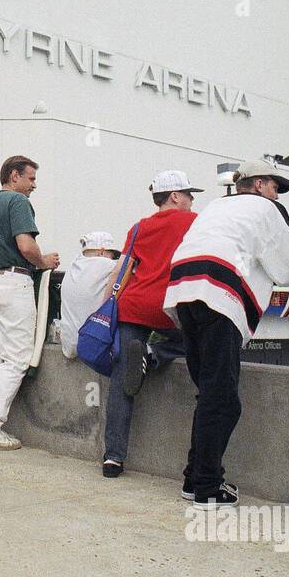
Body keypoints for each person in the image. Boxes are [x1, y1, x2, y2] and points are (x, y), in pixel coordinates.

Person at [164, 159, 289, 505]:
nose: (278, 195)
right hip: (219, 293)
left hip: (184, 290)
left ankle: (194, 479)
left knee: (209, 393)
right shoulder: (264, 208)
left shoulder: (217, 206)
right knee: (223, 400)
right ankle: (206, 487)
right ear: (260, 184)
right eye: (276, 186)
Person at [101, 171, 200, 478]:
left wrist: (106, 308)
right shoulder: (194, 221)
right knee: (192, 343)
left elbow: (122, 269)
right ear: (174, 196)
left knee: (120, 383)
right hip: (170, 308)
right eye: (188, 194)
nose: (192, 199)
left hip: (132, 305)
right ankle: (151, 354)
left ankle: (113, 458)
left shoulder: (139, 227)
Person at [0, 155, 59, 450]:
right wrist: (44, 261)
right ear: (14, 176)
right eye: (31, 178)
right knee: (18, 358)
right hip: (11, 282)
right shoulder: (18, 202)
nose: (34, 185)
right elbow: (26, 244)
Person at [59, 231, 120, 362]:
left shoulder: (73, 265)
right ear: (102, 252)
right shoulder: (107, 264)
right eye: (112, 255)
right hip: (92, 346)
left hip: (68, 347)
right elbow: (128, 266)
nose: (113, 258)